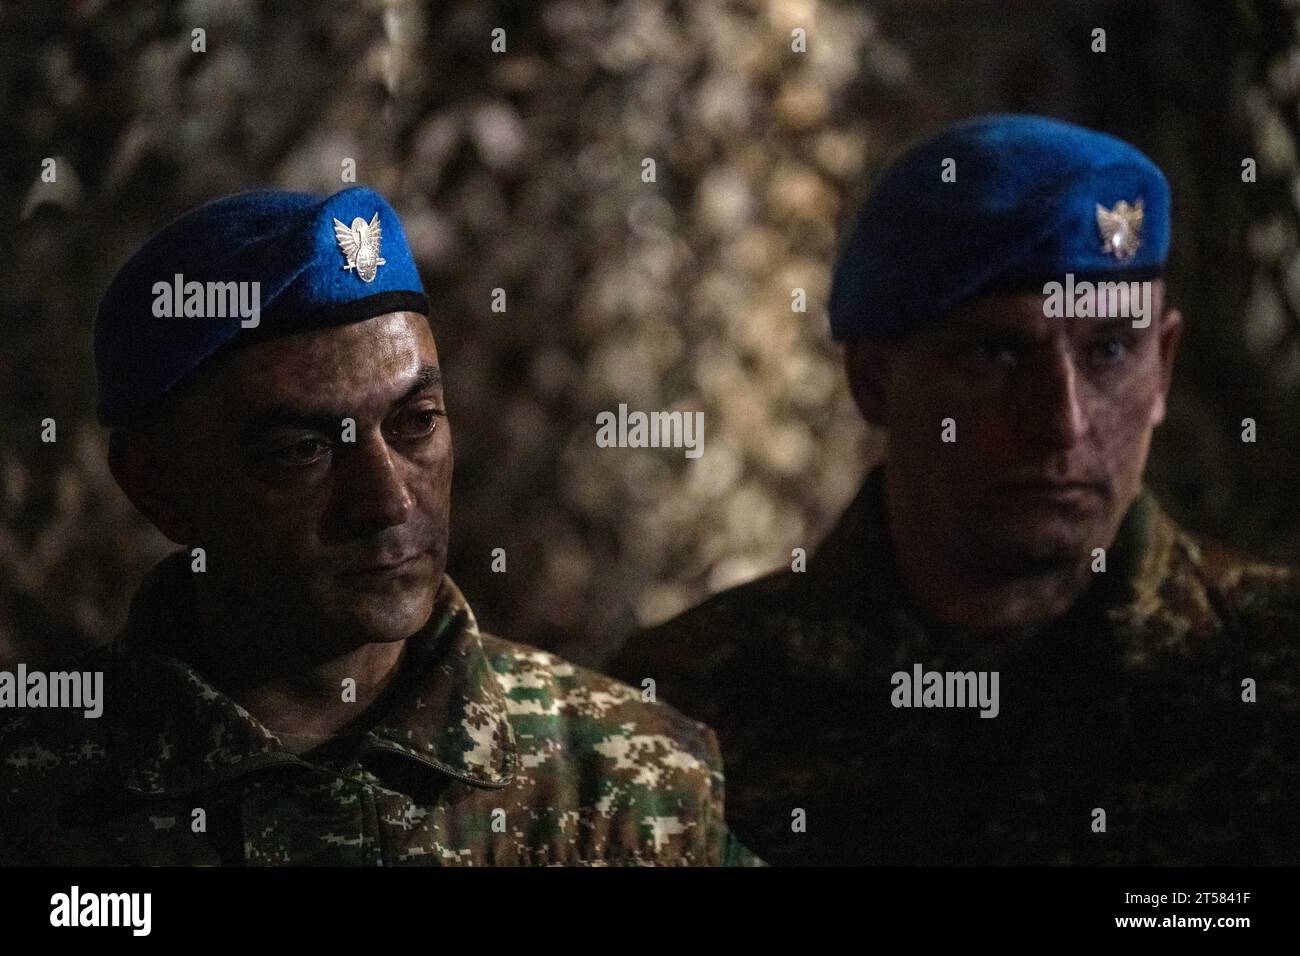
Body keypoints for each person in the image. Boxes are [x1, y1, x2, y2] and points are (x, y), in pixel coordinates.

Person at [609, 115, 1300, 865]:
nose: (1063, 425)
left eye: (1108, 351)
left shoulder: (1268, 671)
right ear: (876, 382)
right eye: (996, 355)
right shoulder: (687, 706)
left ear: (1161, 368)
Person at [0, 186, 758, 866]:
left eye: (416, 422)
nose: (388, 500)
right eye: (302, 451)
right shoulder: (37, 796)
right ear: (156, 485)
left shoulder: (626, 783)